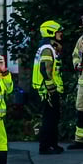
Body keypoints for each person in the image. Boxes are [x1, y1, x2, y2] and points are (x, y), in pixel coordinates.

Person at [33, 20, 65, 155]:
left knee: (53, 117)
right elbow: (45, 69)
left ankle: (52, 144)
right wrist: (51, 89)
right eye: (59, 32)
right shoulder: (47, 48)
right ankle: (46, 146)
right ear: (51, 32)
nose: (61, 34)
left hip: (47, 89)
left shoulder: (48, 47)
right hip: (47, 90)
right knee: (49, 118)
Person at [68, 15, 83, 150]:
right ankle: (80, 140)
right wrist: (77, 64)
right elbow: (75, 55)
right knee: (81, 110)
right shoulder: (81, 40)